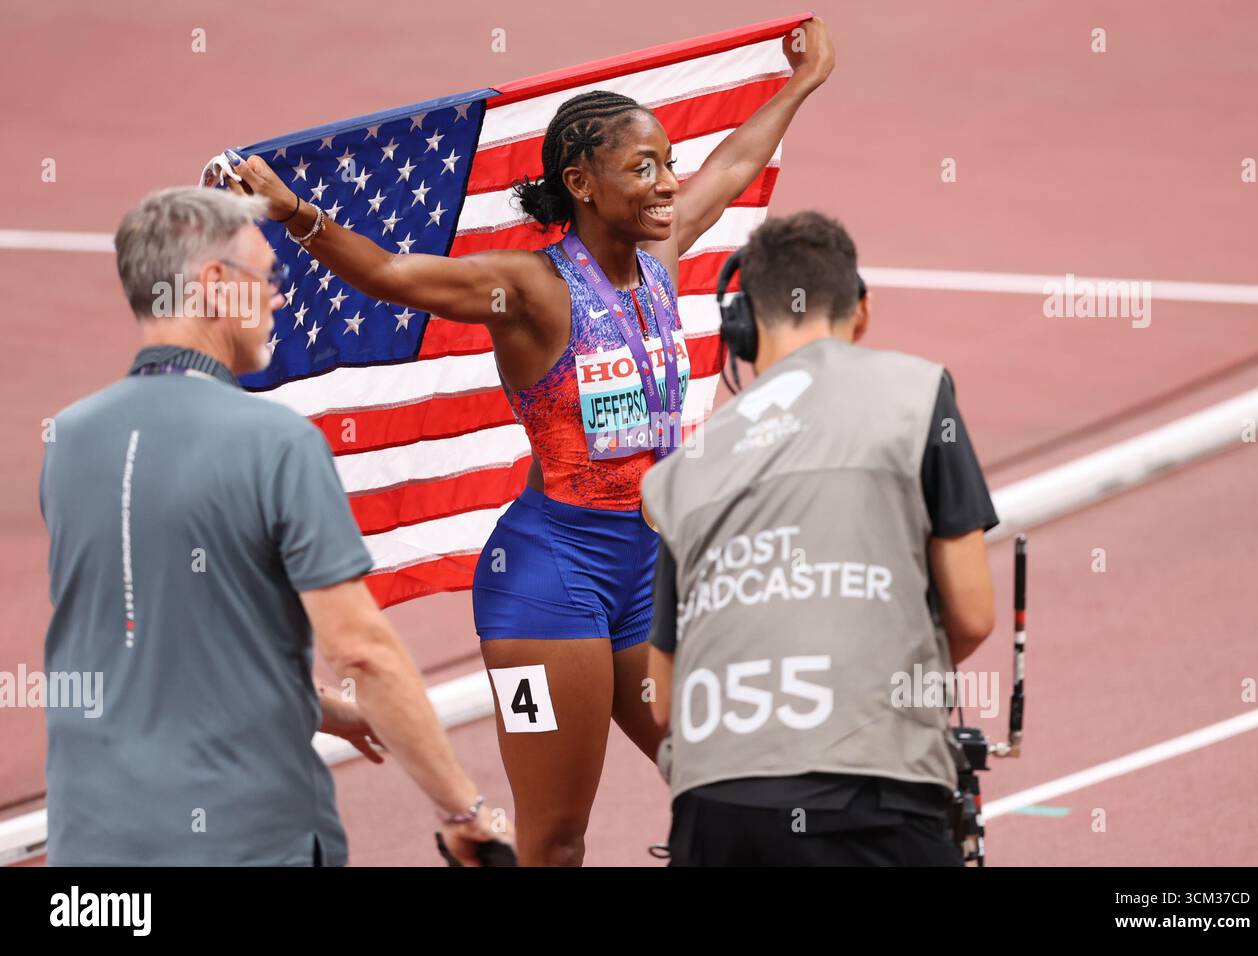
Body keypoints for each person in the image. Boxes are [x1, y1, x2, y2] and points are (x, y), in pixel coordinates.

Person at [222, 16, 836, 866]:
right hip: (545, 590)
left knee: (729, 782)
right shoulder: (531, 289)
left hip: (647, 574)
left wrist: (800, 84)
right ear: (581, 183)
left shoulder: (660, 257)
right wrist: (294, 213)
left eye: (666, 163)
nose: (667, 182)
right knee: (554, 842)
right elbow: (394, 277)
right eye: (643, 167)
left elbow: (732, 167)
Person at [40, 186, 510, 866]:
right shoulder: (274, 440)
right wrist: (461, 809)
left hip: (91, 845)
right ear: (214, 285)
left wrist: (308, 700)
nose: (279, 299)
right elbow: (361, 650)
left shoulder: (70, 439)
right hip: (246, 838)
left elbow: (146, 630)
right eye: (267, 277)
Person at [640, 211, 1000, 866]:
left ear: (741, 328)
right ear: (860, 312)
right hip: (869, 795)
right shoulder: (915, 395)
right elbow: (973, 614)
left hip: (715, 810)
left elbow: (660, 697)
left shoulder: (681, 475)